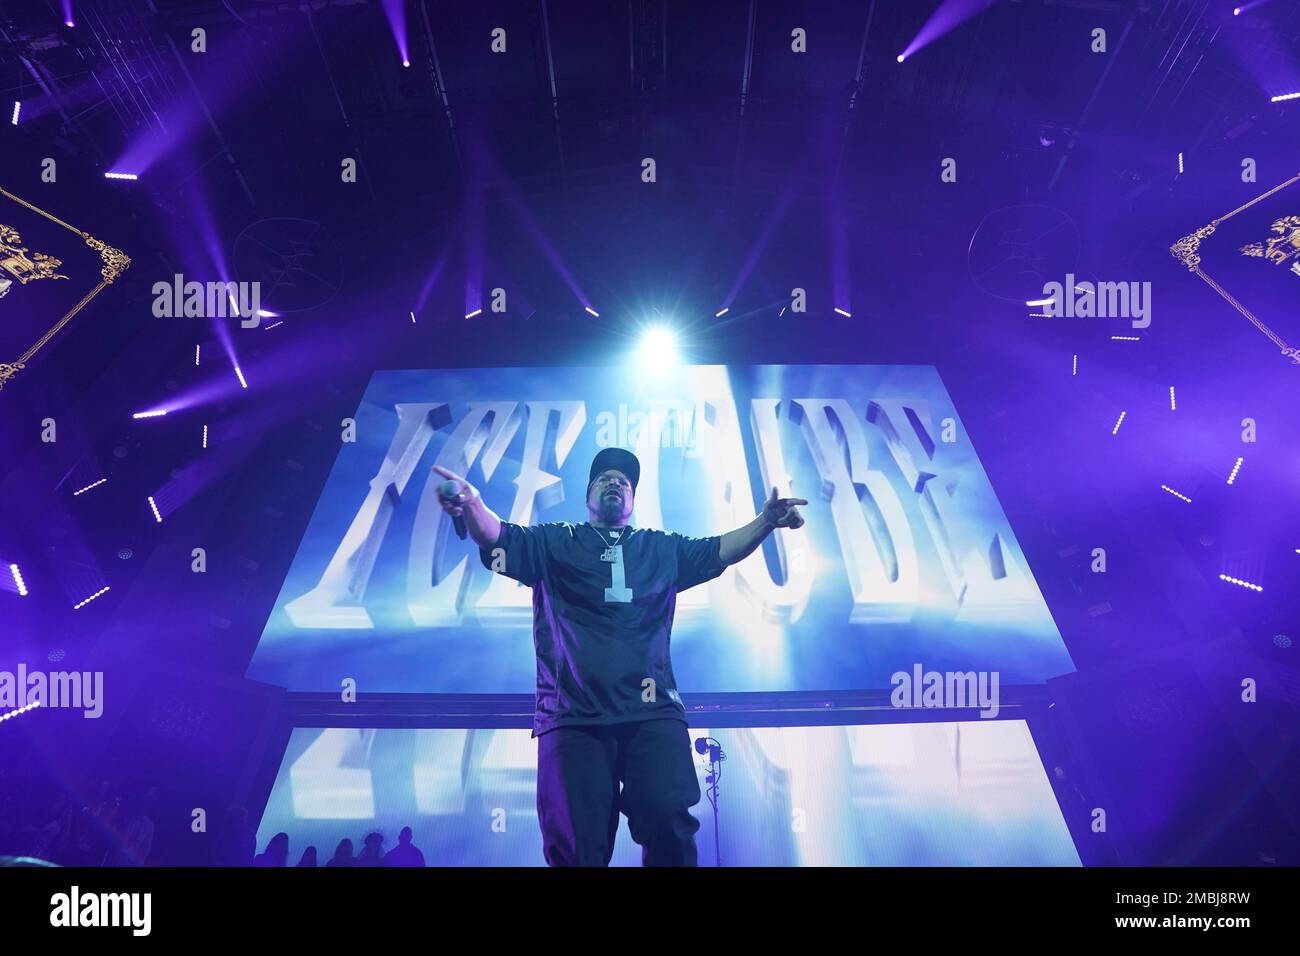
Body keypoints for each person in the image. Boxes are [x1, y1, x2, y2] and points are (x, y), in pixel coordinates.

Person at [434, 447, 806, 866]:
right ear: (588, 494)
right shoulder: (554, 542)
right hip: (574, 715)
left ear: (632, 500)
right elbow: (496, 536)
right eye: (604, 478)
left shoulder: (660, 548)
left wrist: (766, 522)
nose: (616, 483)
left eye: (625, 481)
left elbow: (721, 550)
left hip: (651, 713)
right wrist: (471, 503)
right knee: (578, 848)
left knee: (670, 821)